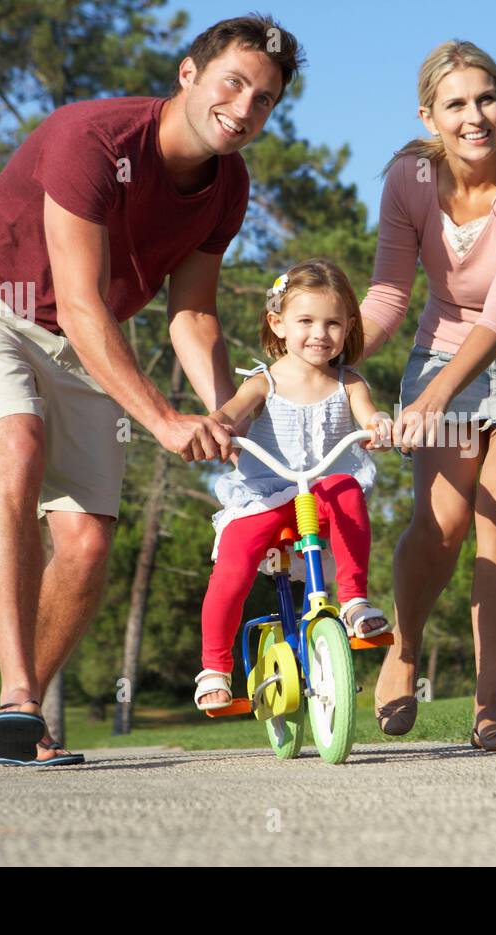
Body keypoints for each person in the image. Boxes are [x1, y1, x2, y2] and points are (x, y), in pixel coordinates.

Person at [0, 15, 304, 764]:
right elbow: (79, 303)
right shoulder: (90, 139)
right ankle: (17, 697)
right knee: (18, 445)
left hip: (85, 346)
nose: (245, 107)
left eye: (265, 100)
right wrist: (163, 419)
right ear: (188, 74)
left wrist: (229, 419)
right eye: (234, 82)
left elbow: (192, 317)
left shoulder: (228, 185)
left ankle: (20, 721)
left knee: (89, 539)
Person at [358, 40, 496, 752]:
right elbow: (391, 295)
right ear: (429, 115)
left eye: (486, 98)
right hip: (441, 352)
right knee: (443, 523)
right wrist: (329, 355)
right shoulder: (408, 180)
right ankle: (403, 650)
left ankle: (491, 707)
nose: (475, 116)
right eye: (456, 104)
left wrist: (432, 402)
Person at [193, 259, 395, 709]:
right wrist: (218, 424)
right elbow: (233, 410)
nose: (319, 334)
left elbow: (369, 415)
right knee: (233, 565)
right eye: (305, 321)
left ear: (348, 329)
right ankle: (214, 668)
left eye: (333, 323)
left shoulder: (349, 383)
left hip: (321, 495)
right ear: (278, 324)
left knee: (345, 489)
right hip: (265, 495)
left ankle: (355, 602)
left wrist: (379, 424)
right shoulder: (264, 382)